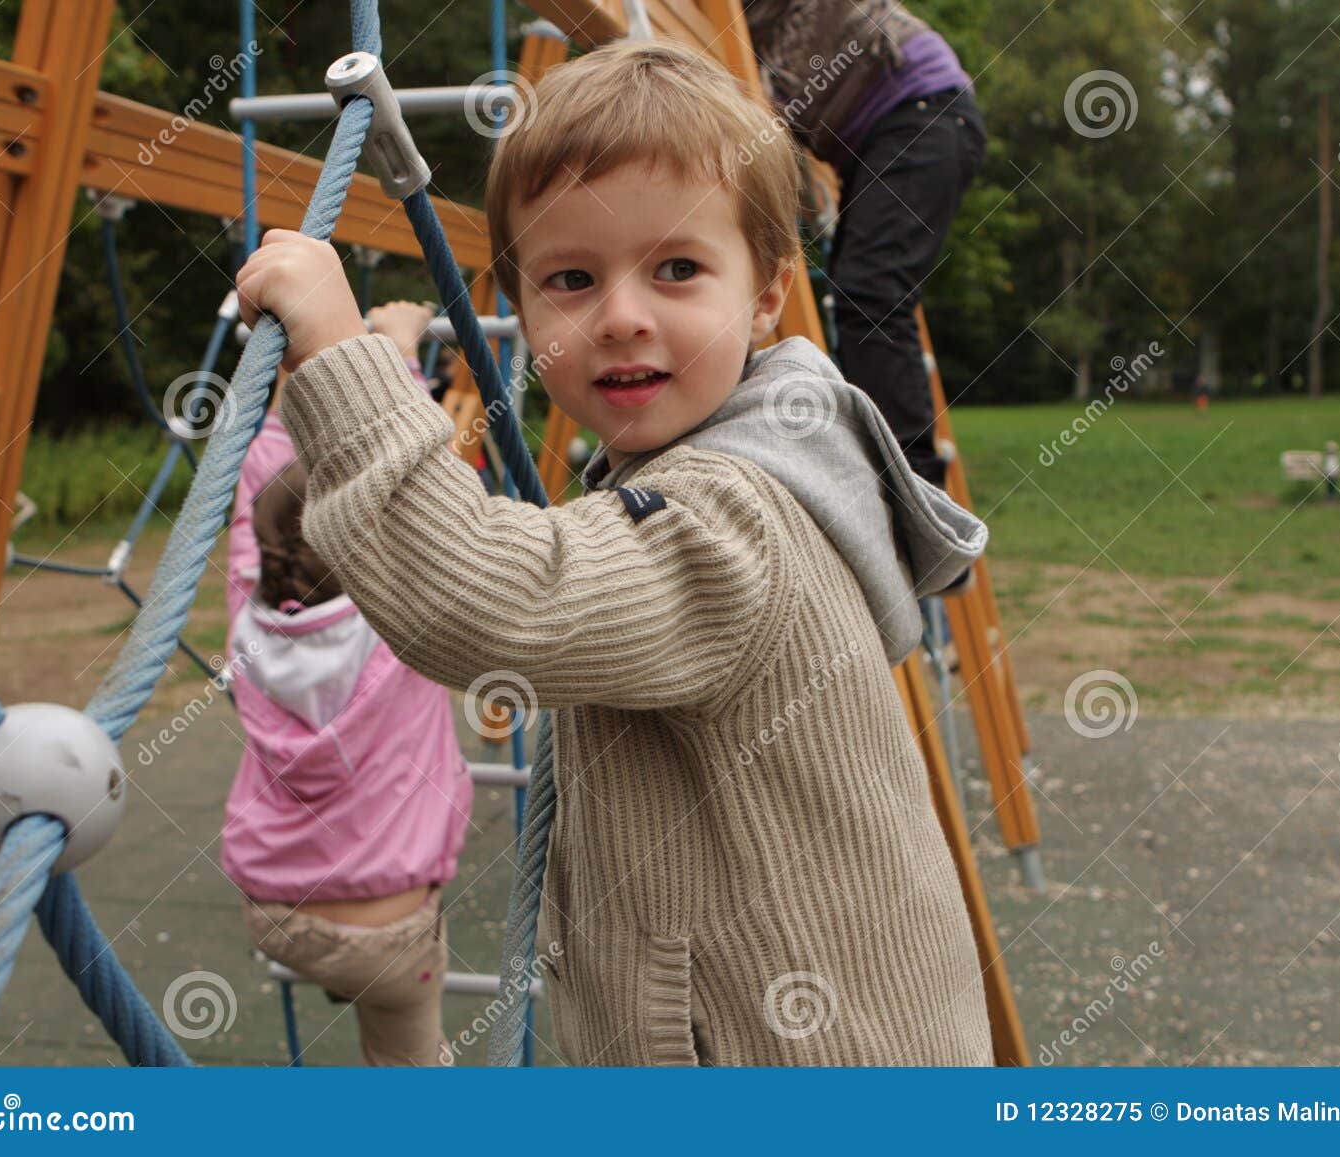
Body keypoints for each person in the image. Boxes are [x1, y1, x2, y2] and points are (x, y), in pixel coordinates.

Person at [234, 40, 991, 1066]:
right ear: (523, 301)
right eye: (572, 278)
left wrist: (337, 348)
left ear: (767, 293)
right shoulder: (732, 456)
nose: (623, 316)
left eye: (677, 269)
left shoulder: (735, 519)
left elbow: (490, 599)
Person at [220, 301, 471, 1067]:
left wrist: (284, 372)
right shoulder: (404, 622)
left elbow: (254, 501)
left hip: (275, 911)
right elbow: (418, 486)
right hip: (385, 932)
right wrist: (396, 349)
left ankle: (339, 977)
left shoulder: (248, 620)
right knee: (410, 1073)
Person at [743, 0, 986, 490]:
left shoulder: (762, 28)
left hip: (921, 112)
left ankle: (913, 491)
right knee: (859, 299)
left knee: (871, 295)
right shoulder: (753, 43)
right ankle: (884, 476)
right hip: (892, 130)